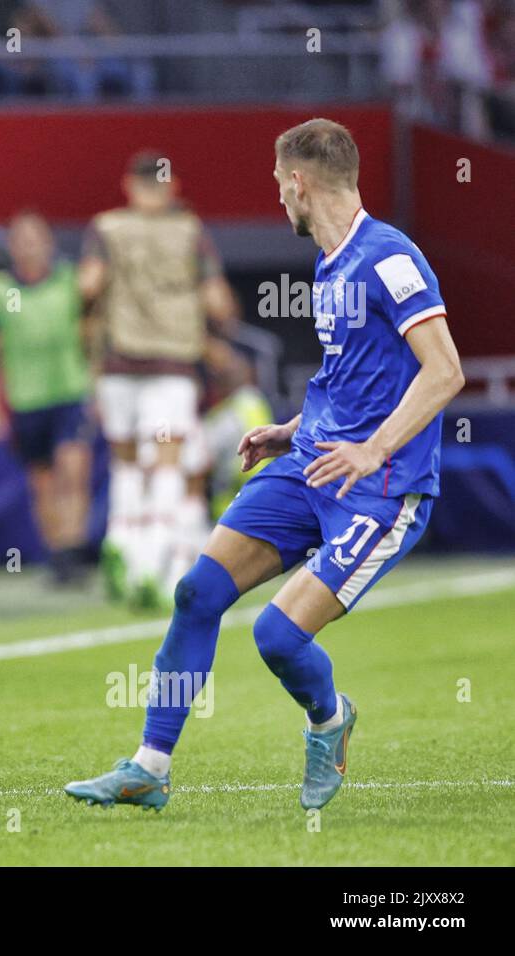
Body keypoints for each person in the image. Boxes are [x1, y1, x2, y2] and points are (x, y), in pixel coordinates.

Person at [65, 118, 464, 813]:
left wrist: (373, 448)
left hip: (379, 486)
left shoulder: (391, 259)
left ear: (301, 182)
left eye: (280, 184)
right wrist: (291, 430)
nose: (279, 197)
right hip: (313, 463)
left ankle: (330, 719)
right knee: (197, 594)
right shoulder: (330, 263)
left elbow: (446, 372)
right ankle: (149, 767)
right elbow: (349, 381)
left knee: (278, 635)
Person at [80, 151, 236, 608]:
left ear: (129, 185)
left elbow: (88, 285)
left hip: (118, 365)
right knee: (170, 465)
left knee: (126, 464)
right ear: (172, 186)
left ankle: (123, 550)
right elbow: (218, 302)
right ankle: (157, 567)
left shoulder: (105, 228)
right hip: (171, 366)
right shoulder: (190, 231)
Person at [0, 211, 94, 585]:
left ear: (48, 243)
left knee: (72, 469)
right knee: (42, 481)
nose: (29, 246)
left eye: (35, 238)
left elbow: (89, 334)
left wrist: (97, 383)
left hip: (70, 390)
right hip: (27, 399)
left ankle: (74, 548)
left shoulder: (69, 282)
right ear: (12, 247)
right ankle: (57, 553)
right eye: (21, 239)